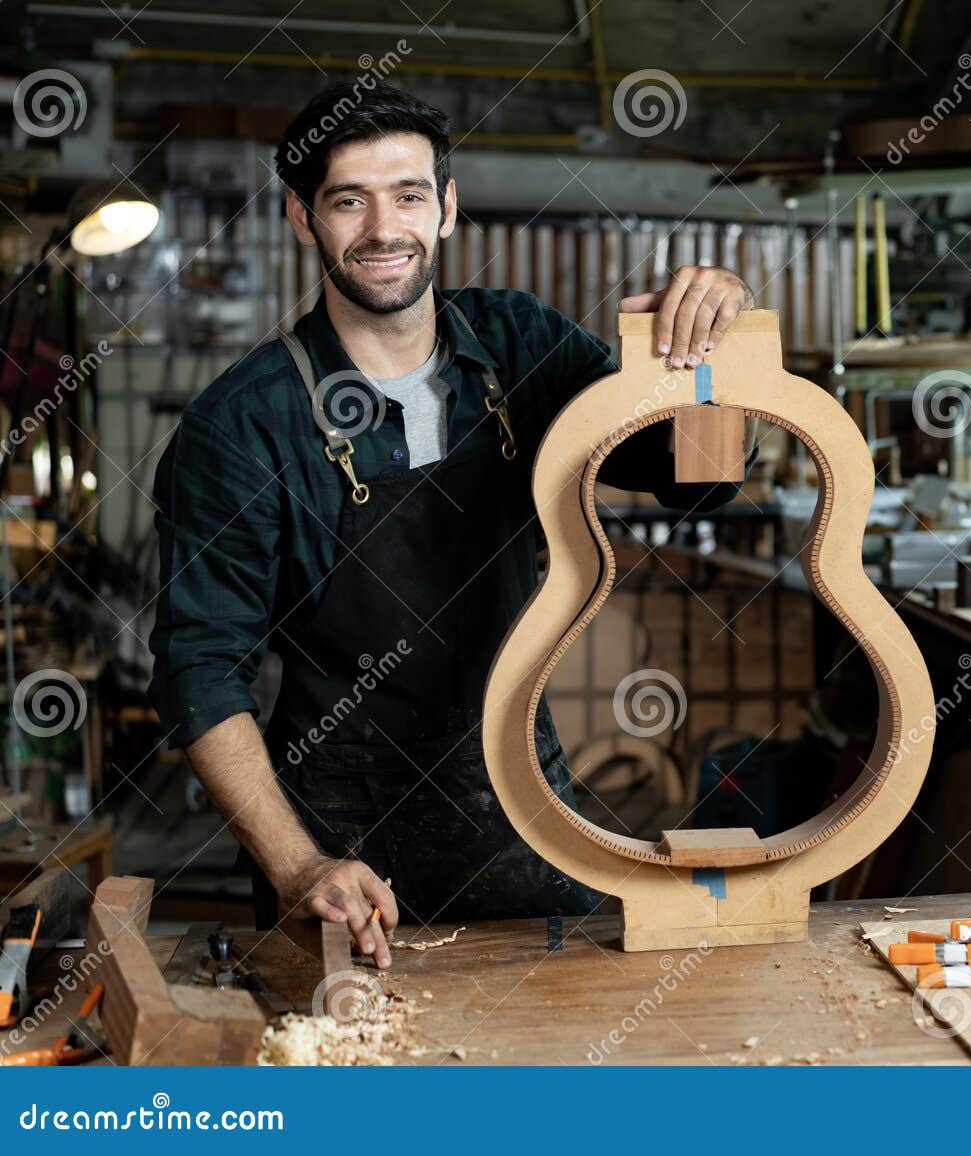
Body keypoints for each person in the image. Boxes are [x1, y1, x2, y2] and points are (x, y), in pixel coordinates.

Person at [148, 81, 756, 968]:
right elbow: (201, 671)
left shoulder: (519, 347)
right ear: (300, 217)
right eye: (348, 200)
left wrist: (713, 342)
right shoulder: (240, 425)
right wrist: (297, 864)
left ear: (447, 208)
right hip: (344, 844)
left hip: (525, 808)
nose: (383, 229)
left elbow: (692, 484)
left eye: (408, 196)